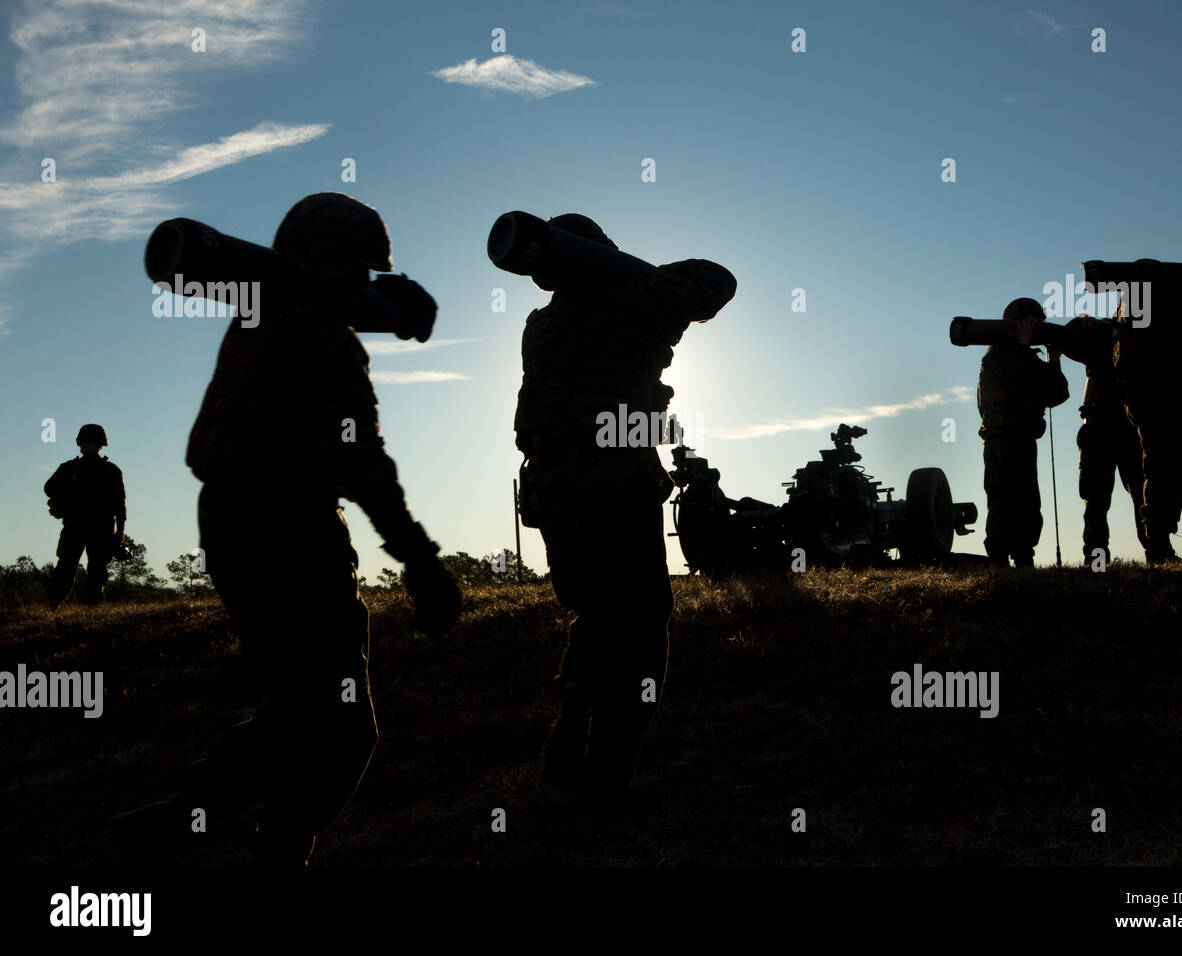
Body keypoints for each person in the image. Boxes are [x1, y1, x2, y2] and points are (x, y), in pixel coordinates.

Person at [115, 193, 460, 866]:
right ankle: (235, 840)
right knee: (342, 723)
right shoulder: (319, 334)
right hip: (289, 533)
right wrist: (421, 563)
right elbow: (362, 461)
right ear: (332, 265)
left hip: (232, 525)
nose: (363, 285)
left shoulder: (258, 318)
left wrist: (388, 312)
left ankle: (188, 830)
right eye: (358, 271)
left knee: (299, 707)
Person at [514, 213, 736, 798]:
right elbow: (716, 281)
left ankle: (565, 757)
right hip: (614, 493)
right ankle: (609, 780)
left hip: (555, 496)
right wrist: (623, 268)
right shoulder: (630, 304)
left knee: (595, 620)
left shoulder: (542, 325)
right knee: (639, 628)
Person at [1081, 256, 1182, 562]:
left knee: (1167, 468)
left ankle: (1164, 545)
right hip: (1169, 396)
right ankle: (1176, 546)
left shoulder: (1135, 306)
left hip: (1148, 396)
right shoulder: (1174, 290)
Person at [977, 298, 1070, 567]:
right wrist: (1022, 343)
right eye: (1031, 323)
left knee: (1028, 502)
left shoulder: (1027, 357)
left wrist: (1054, 359)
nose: (1036, 329)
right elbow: (1017, 376)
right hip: (1001, 441)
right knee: (1002, 498)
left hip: (1024, 438)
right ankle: (998, 560)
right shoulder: (996, 357)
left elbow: (1057, 394)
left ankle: (1024, 555)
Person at [1060, 313, 1148, 566]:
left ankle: (1155, 550)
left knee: (1142, 492)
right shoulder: (1099, 338)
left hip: (1127, 423)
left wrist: (1107, 328)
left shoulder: (1130, 335)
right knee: (1096, 499)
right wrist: (1086, 326)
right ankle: (1097, 561)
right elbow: (1069, 341)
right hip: (1098, 423)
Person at [44, 423, 126, 608]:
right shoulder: (68, 468)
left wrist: (120, 530)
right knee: (65, 568)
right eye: (84, 442)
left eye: (92, 442)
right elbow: (49, 488)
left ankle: (92, 609)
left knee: (97, 571)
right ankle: (53, 606)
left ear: (100, 445)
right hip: (74, 526)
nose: (87, 445)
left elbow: (119, 503)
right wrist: (65, 496)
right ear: (79, 444)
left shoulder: (111, 471)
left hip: (102, 528)